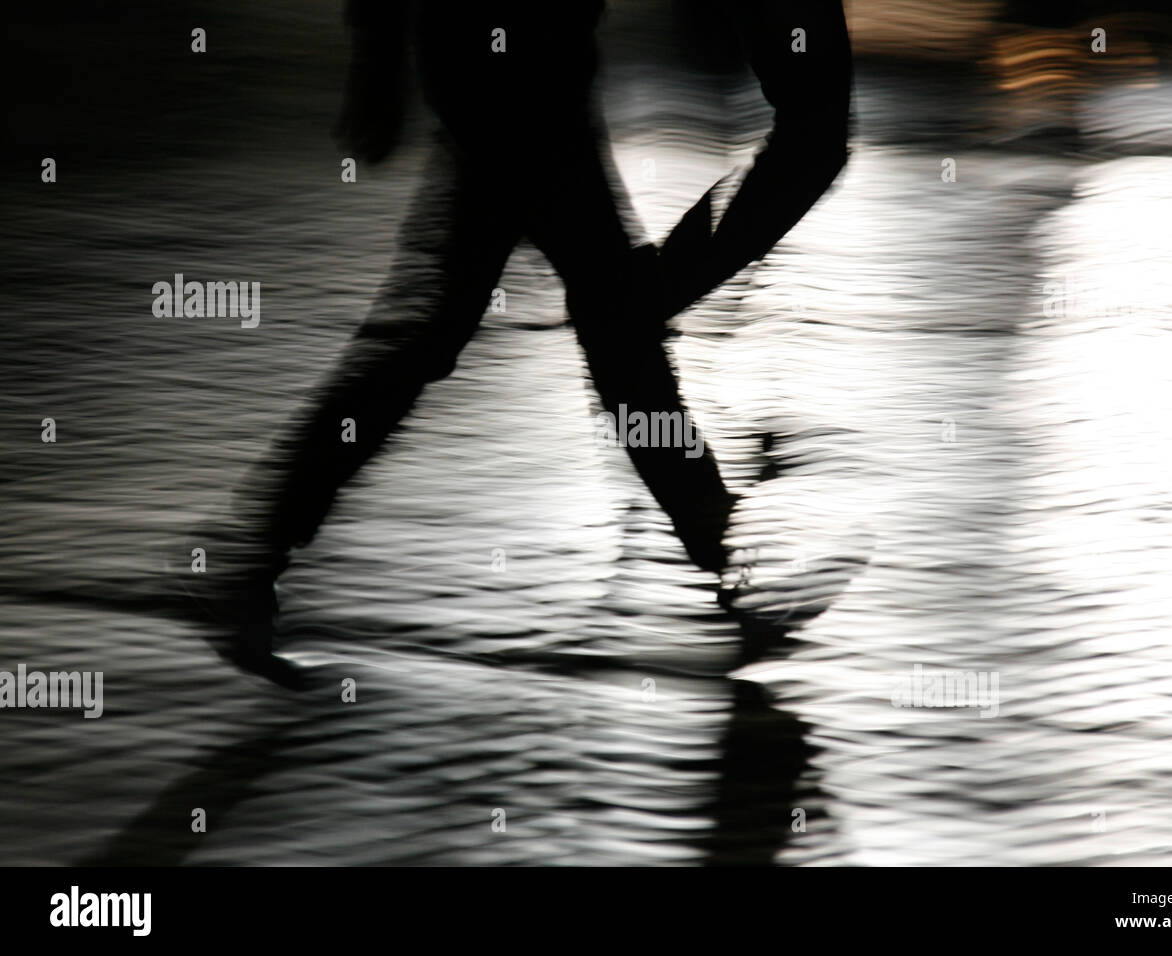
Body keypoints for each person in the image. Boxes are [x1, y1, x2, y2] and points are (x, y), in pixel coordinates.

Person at [185, 0, 851, 686]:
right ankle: (727, 556)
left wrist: (379, 55)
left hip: (517, 60)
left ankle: (250, 559)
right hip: (516, 68)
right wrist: (377, 55)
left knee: (460, 327)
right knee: (599, 324)